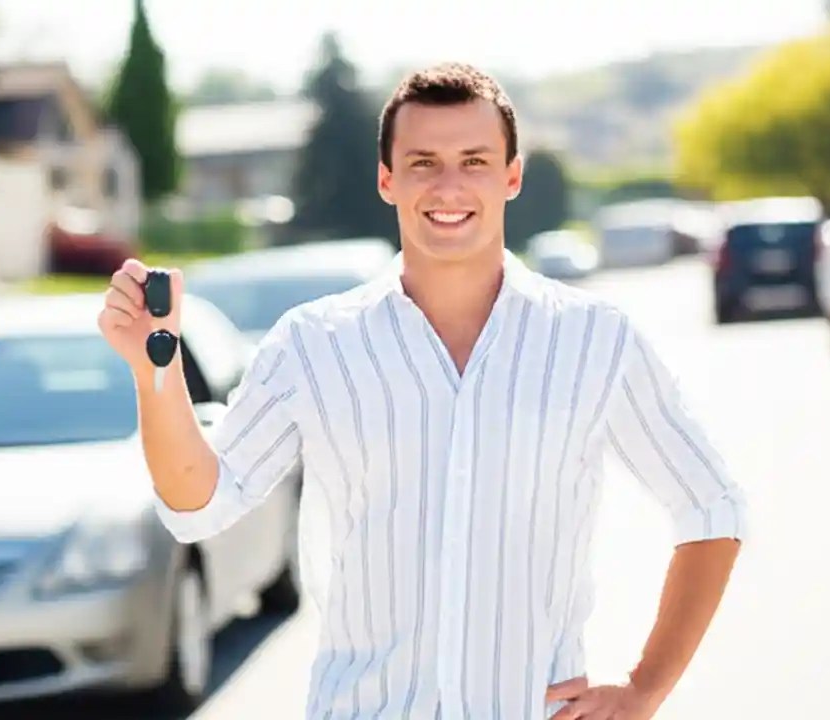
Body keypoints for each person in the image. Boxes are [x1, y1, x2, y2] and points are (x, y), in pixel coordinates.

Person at [98, 62, 746, 720]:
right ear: (387, 180)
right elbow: (198, 504)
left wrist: (645, 689)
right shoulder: (313, 346)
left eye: (474, 160)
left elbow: (712, 506)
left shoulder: (595, 340)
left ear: (511, 176)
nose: (449, 185)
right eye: (423, 162)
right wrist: (156, 369)